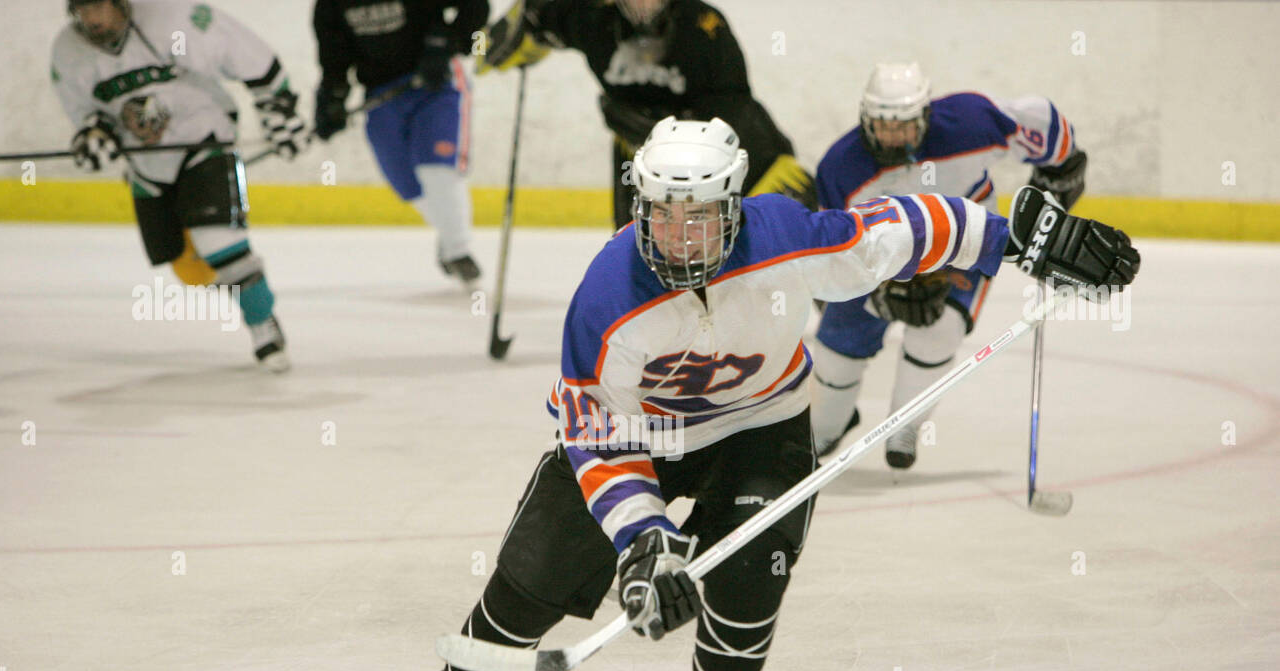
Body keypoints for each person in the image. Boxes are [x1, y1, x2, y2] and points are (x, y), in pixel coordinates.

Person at [343, 117, 1138, 671]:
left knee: (750, 575)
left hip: (761, 426)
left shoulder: (787, 240)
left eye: (698, 217)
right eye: (661, 213)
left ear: (732, 209)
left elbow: (904, 228)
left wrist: (1025, 240)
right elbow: (598, 437)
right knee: (531, 578)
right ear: (638, 204)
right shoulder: (605, 297)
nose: (678, 236)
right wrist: (646, 543)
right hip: (643, 436)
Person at [810, 62, 1090, 465]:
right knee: (836, 356)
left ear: (925, 114)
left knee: (940, 329)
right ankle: (824, 429)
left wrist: (1062, 168)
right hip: (876, 263)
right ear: (865, 119)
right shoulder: (840, 167)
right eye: (882, 124)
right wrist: (876, 290)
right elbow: (833, 252)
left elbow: (1043, 122)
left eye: (903, 124)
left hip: (966, 245)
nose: (892, 135)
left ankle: (903, 427)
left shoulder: (970, 123)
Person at [52, 0, 306, 371]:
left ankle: (262, 324)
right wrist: (95, 135)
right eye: (83, 10)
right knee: (190, 269)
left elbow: (248, 55)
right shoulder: (67, 50)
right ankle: (243, 287)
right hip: (147, 165)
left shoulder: (170, 18)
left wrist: (279, 109)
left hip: (204, 136)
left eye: (99, 7)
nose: (92, 18)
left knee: (218, 242)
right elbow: (86, 112)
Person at [480, 0, 815, 227]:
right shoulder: (591, 18)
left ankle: (837, 315)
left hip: (711, 151)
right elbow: (534, 17)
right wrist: (513, 35)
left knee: (784, 211)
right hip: (637, 154)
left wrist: (671, 131)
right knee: (634, 242)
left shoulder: (703, 28)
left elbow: (732, 104)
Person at [313, 0, 488, 285]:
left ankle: (458, 250)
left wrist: (446, 43)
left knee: (436, 168)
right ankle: (449, 233)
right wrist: (332, 99)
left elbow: (476, 6)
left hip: (436, 85)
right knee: (405, 183)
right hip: (380, 94)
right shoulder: (329, 5)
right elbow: (334, 56)